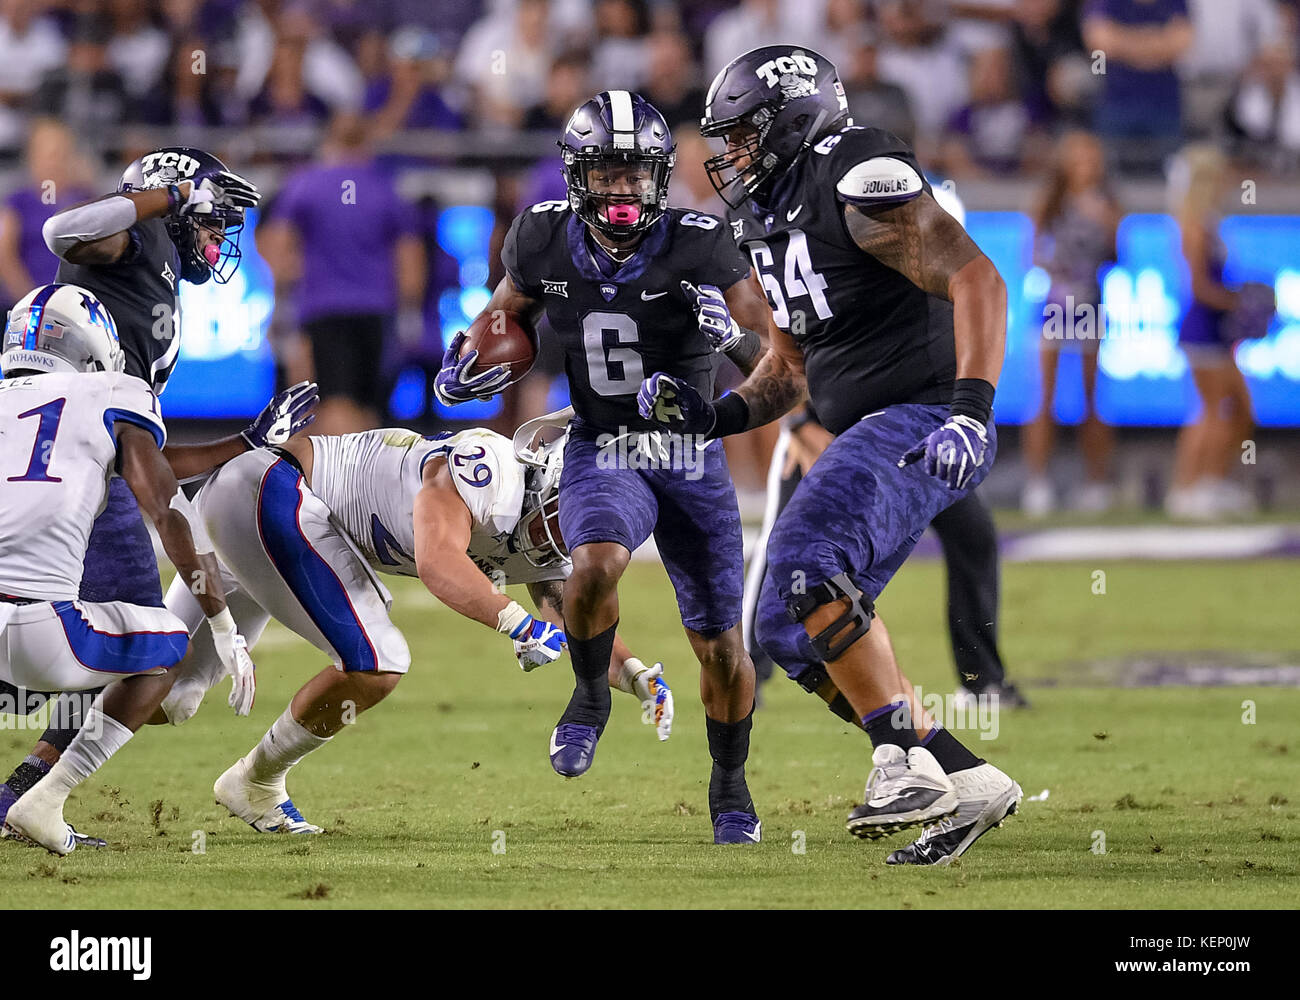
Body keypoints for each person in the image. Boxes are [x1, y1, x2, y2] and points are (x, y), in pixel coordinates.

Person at [640, 45, 1021, 865]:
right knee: (782, 625)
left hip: (921, 414)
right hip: (861, 427)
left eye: (742, 136)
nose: (728, 157)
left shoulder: (854, 166)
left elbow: (979, 280)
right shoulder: (760, 216)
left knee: (810, 561)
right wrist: (709, 419)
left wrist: (972, 414)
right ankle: (966, 778)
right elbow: (790, 369)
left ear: (791, 122)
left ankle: (900, 763)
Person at [436, 91, 779, 844]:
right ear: (577, 175)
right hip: (601, 440)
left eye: (636, 175)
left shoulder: (701, 240)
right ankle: (591, 696)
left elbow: (778, 366)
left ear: (658, 177)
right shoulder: (541, 238)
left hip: (688, 452)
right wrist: (469, 357)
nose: (623, 191)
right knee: (591, 565)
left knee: (721, 647)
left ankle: (729, 788)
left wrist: (731, 342)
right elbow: (503, 318)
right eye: (608, 173)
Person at [0, 145, 318, 836]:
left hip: (87, 451)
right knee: (140, 643)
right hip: (73, 450)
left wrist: (247, 442)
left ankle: (24, 791)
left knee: (124, 640)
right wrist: (167, 201)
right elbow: (63, 231)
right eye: (213, 218)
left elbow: (145, 456)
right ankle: (29, 788)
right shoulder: (130, 236)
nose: (219, 237)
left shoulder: (162, 280)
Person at [154, 413, 673, 834]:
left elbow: (572, 615)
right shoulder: (489, 469)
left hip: (263, 509)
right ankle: (258, 782)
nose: (566, 532)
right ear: (544, 475)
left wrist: (633, 674)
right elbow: (437, 561)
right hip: (270, 490)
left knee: (165, 691)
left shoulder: (546, 532)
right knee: (377, 660)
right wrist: (514, 620)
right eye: (566, 511)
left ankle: (73, 713)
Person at [0, 284, 257, 856]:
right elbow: (164, 507)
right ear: (90, 342)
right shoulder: (112, 392)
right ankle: (44, 800)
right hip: (44, 630)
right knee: (167, 643)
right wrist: (220, 625)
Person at [742, 402, 1026, 707]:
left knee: (972, 536)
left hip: (909, 431)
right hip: (828, 426)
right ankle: (745, 674)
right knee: (783, 544)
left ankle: (981, 681)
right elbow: (780, 357)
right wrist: (798, 420)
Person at [260, 114, 427, 435]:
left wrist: (281, 300)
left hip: (324, 308)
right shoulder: (385, 187)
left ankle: (340, 483)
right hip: (376, 311)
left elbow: (279, 246)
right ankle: (366, 480)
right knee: (367, 404)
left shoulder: (306, 184)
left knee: (335, 400)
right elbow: (410, 257)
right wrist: (410, 311)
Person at [1022, 129, 1120, 517]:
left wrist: (1107, 223)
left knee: (1092, 397)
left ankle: (1096, 483)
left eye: (1092, 158)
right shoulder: (1050, 200)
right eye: (1080, 158)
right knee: (1044, 397)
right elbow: (1032, 254)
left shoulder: (1108, 202)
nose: (1087, 166)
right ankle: (1038, 482)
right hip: (1054, 302)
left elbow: (1118, 255)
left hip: (1091, 301)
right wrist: (1058, 266)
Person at [1166, 145, 1260, 520]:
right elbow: (1200, 288)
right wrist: (1239, 302)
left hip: (1218, 330)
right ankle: (1188, 488)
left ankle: (1212, 481)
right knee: (1213, 410)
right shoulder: (1192, 225)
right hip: (1202, 328)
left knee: (1238, 408)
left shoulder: (1209, 221)